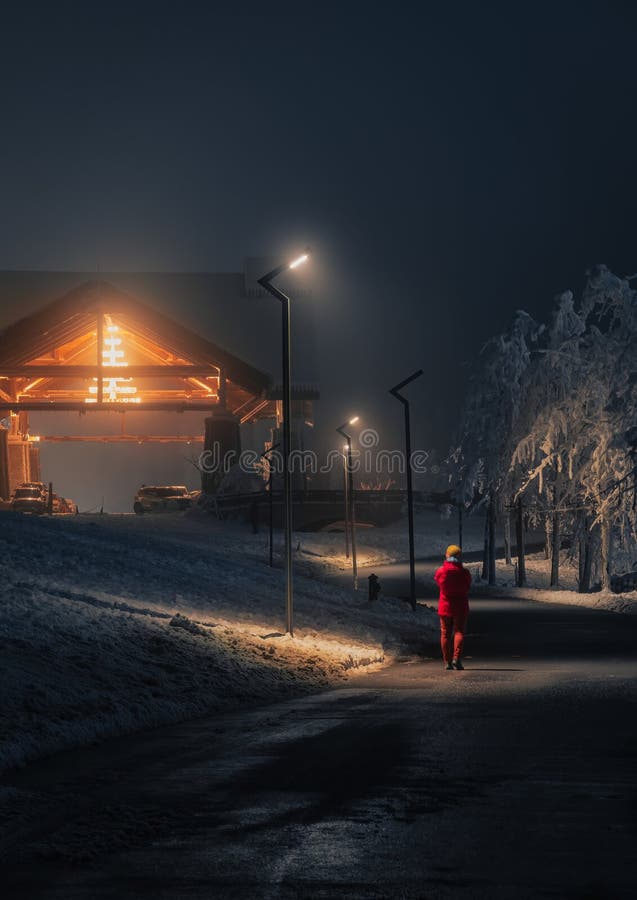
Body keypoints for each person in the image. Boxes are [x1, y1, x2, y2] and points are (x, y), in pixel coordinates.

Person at [434, 544, 471, 670]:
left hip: (445, 607)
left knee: (445, 634)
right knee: (459, 632)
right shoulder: (464, 573)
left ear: (447, 555)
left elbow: (438, 582)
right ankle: (456, 658)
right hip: (460, 607)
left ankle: (447, 661)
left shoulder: (441, 571)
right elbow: (467, 586)